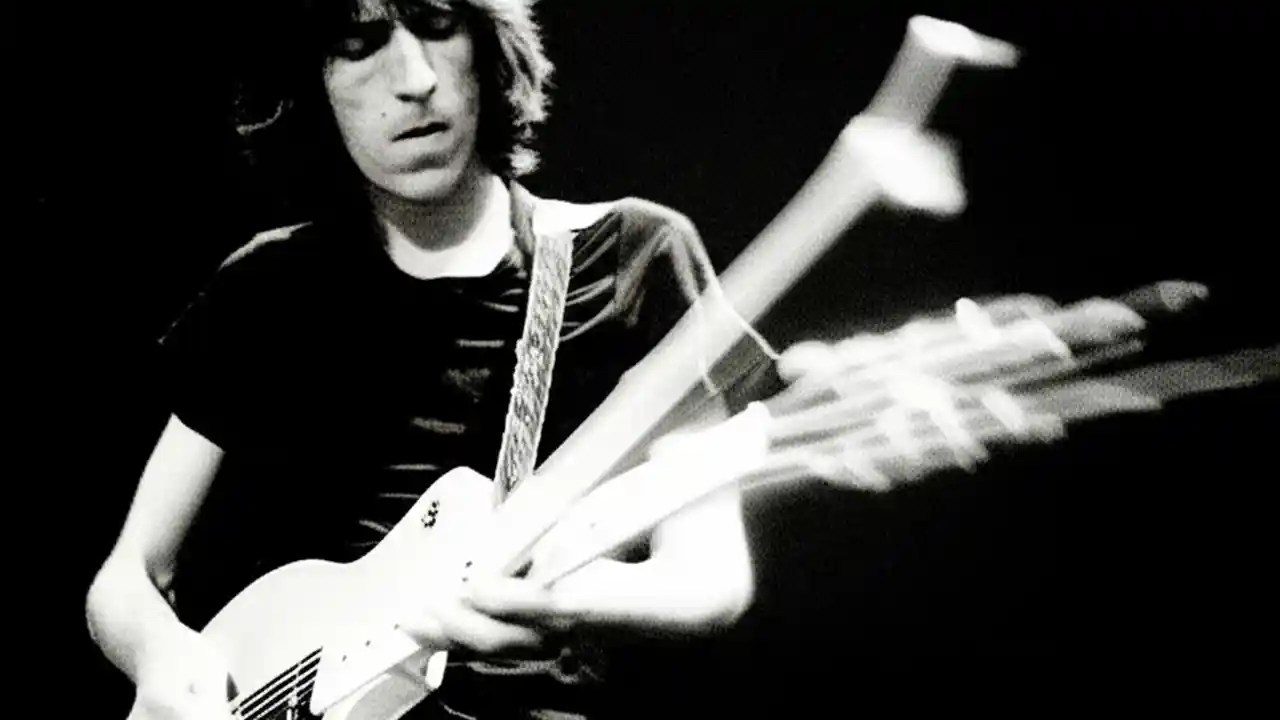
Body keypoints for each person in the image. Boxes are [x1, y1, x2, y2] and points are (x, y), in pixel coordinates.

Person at [84, 1, 761, 718]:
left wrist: (565, 599)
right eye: (358, 42)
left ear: (485, 49)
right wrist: (162, 654)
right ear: (310, 83)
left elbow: (710, 574)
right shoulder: (265, 288)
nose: (414, 78)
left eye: (437, 24)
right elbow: (129, 577)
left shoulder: (632, 257)